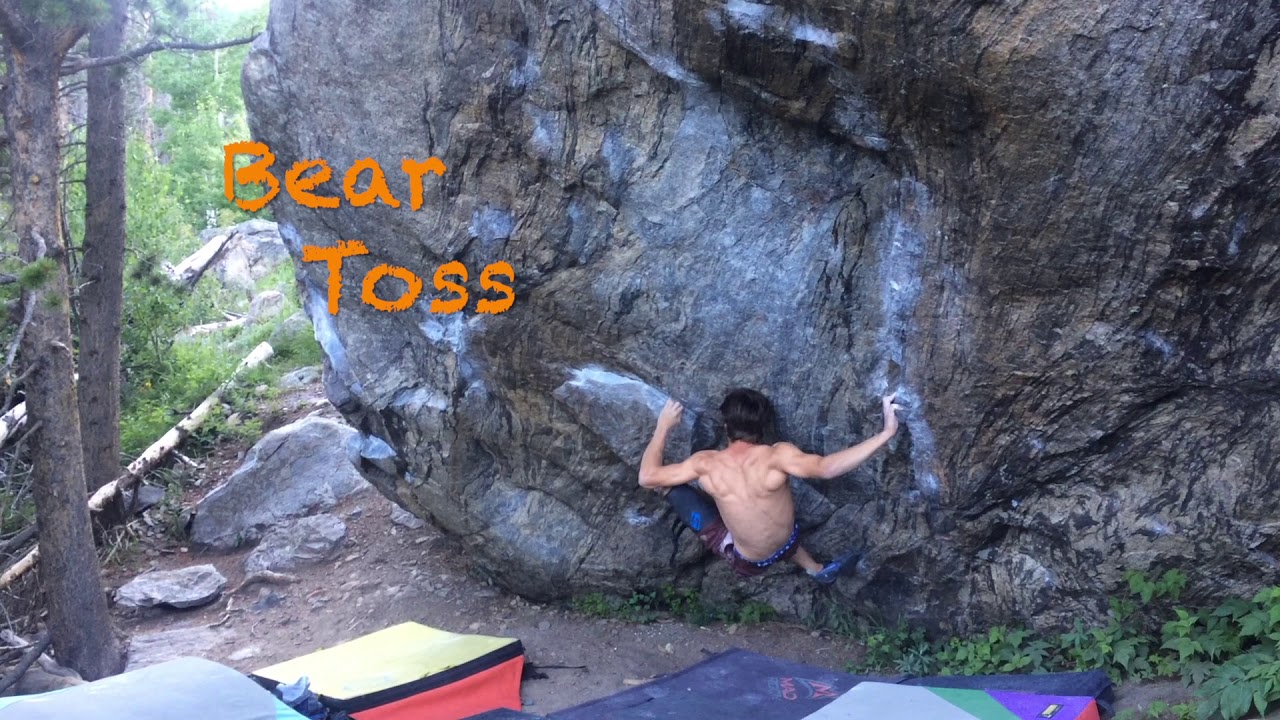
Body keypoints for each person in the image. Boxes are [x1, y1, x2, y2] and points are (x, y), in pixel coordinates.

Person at [639, 388, 900, 584]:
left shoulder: (706, 463)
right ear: (763, 427)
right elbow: (827, 468)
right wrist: (886, 433)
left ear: (726, 425)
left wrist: (663, 426)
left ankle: (816, 570)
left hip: (748, 561)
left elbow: (647, 477)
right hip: (786, 541)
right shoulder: (778, 456)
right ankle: (817, 570)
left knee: (672, 488)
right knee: (775, 524)